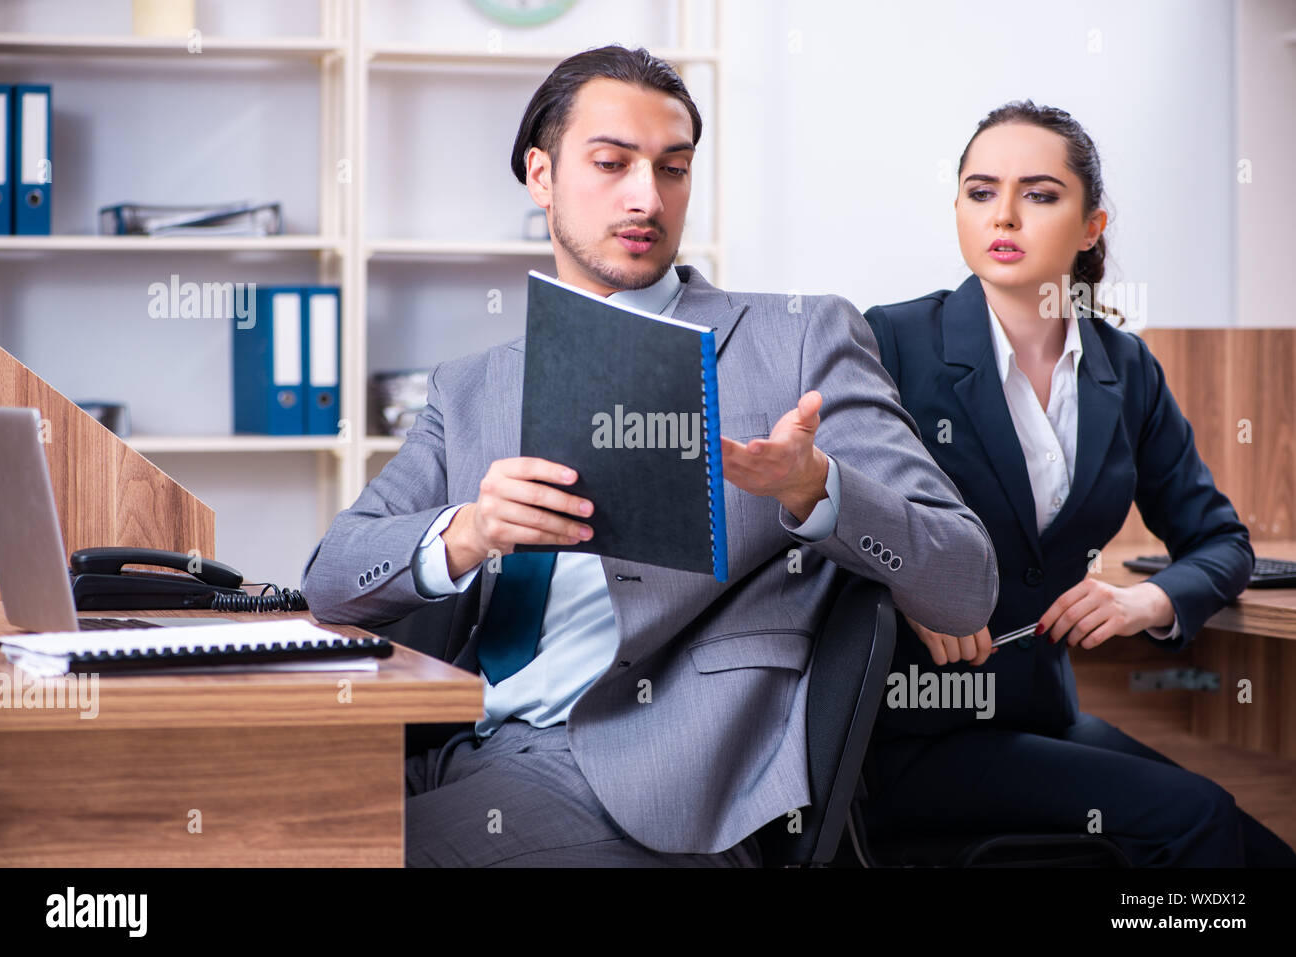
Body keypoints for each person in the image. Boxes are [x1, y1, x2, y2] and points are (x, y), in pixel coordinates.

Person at [299, 46, 998, 867]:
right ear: (542, 175)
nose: (646, 197)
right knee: (221, 825)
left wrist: (822, 492)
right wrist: (467, 533)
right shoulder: (472, 388)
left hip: (651, 788)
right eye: (611, 164)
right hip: (451, 747)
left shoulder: (795, 342)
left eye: (673, 169)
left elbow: (964, 580)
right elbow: (330, 577)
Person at [859, 100, 1295, 866]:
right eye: (981, 191)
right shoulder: (890, 340)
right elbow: (831, 521)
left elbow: (1220, 541)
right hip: (912, 732)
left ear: (1092, 224)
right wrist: (907, 585)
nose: (1005, 215)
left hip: (1044, 716)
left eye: (1040, 194)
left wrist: (1146, 599)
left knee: (1249, 845)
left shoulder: (1125, 370)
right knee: (1194, 820)